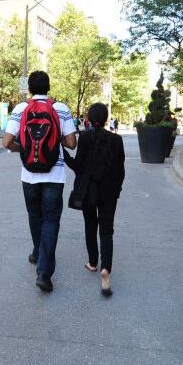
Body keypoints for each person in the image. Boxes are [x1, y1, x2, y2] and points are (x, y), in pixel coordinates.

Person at [3, 71, 78, 293]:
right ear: (49, 87)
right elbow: (72, 143)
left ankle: (37, 252)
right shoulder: (61, 108)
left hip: (29, 175)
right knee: (51, 220)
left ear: (30, 88)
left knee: (35, 216)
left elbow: (7, 142)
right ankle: (44, 272)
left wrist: (24, 148)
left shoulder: (20, 109)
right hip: (54, 175)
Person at [65, 102, 125, 297]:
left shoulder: (85, 138)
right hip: (109, 192)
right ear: (107, 119)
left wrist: (64, 154)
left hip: (89, 191)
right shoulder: (117, 140)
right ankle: (105, 269)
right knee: (107, 230)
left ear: (88, 119)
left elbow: (78, 166)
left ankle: (92, 262)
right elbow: (120, 170)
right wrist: (117, 190)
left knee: (90, 226)